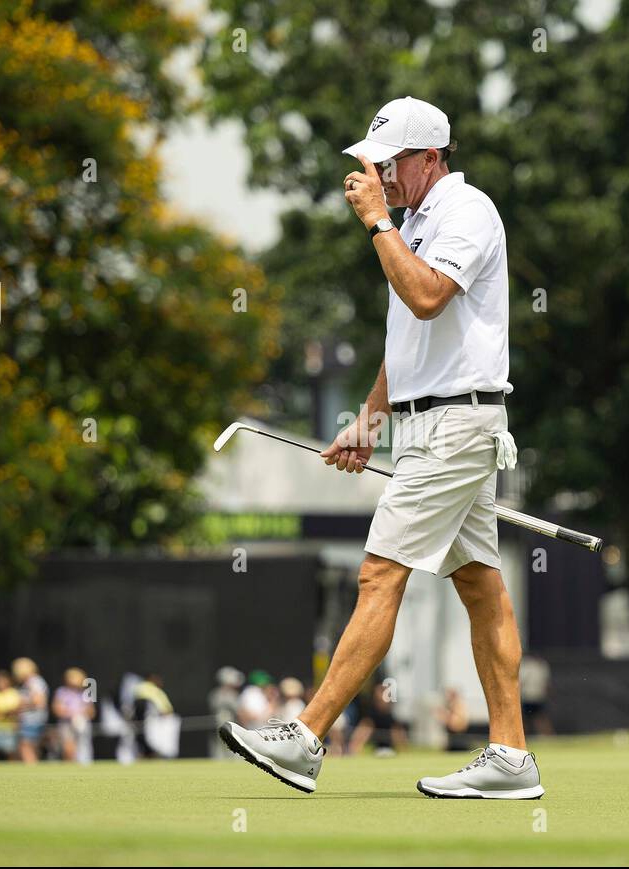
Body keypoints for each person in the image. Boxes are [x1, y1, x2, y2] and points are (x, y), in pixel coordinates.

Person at [219, 96, 541, 799]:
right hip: (432, 423)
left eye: (390, 162)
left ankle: (304, 739)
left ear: (431, 158)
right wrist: (369, 422)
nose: (378, 175)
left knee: (377, 574)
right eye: (373, 164)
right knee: (481, 587)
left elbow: (428, 298)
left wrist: (376, 223)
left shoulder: (464, 213)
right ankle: (512, 758)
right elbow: (408, 342)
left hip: (456, 427)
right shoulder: (415, 225)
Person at [52, 667, 95, 764]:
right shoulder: (61, 692)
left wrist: (80, 716)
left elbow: (91, 712)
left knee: (83, 746)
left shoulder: (86, 693)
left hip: (82, 724)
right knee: (68, 747)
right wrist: (71, 715)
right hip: (66, 724)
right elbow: (57, 709)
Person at [12, 657, 49, 764]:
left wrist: (20, 707)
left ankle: (32, 770)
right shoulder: (33, 682)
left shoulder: (34, 681)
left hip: (32, 719)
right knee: (32, 747)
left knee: (25, 746)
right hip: (33, 719)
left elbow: (39, 701)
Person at [208, 667, 244, 759]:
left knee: (222, 746)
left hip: (219, 722)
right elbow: (238, 711)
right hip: (228, 723)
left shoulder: (215, 693)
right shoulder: (229, 694)